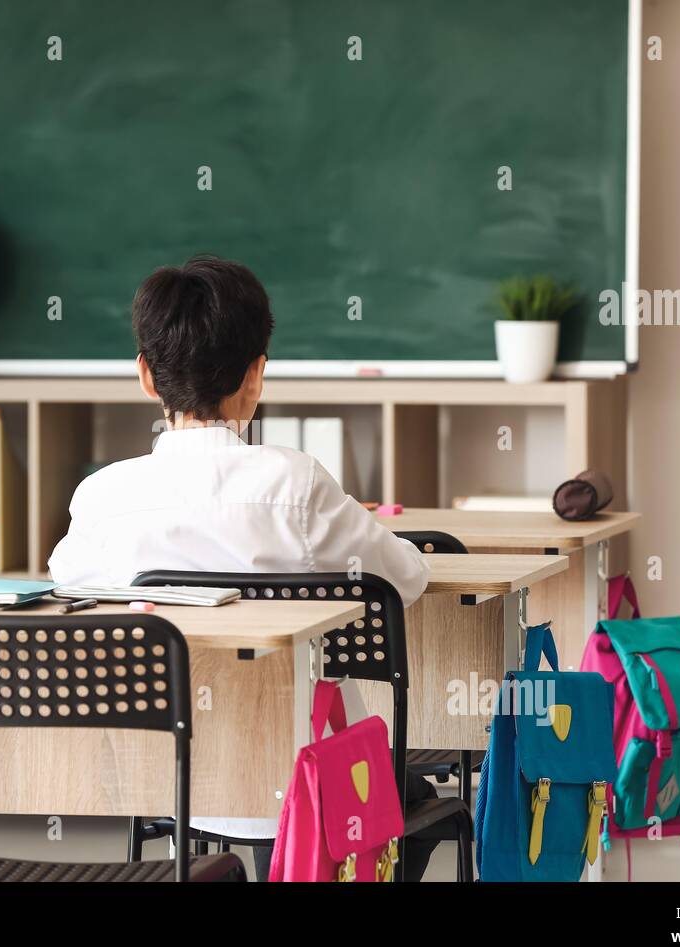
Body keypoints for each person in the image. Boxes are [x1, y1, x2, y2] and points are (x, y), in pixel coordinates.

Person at [49, 255, 438, 879]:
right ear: (256, 376)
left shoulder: (102, 496)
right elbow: (406, 582)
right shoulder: (294, 481)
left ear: (147, 377)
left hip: (159, 782)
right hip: (306, 782)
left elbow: (66, 588)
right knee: (418, 799)